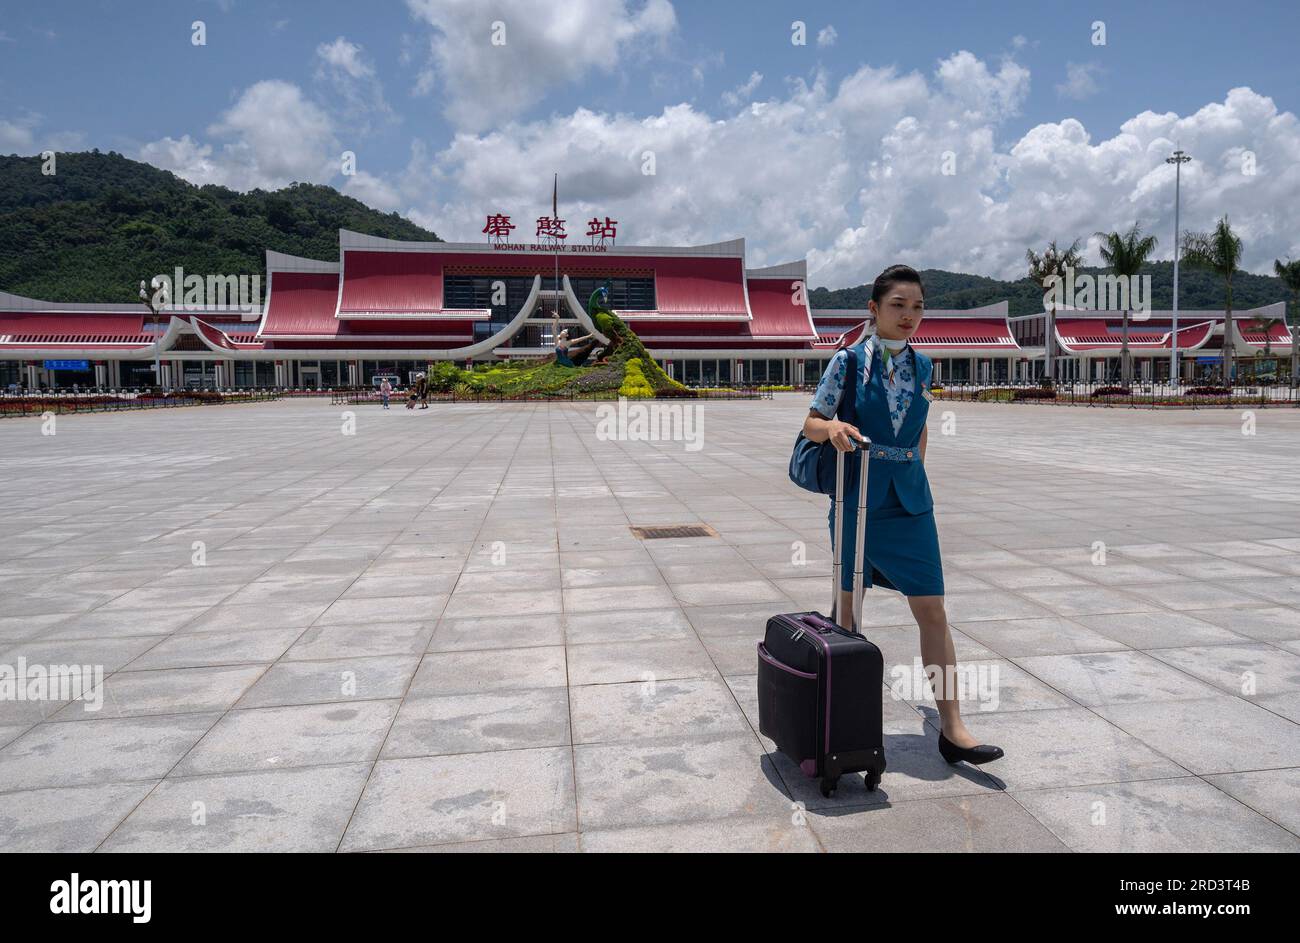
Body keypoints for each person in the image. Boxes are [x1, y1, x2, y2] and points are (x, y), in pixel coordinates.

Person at [802, 264, 1004, 768]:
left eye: (917, 307)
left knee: (932, 610)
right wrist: (833, 429)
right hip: (858, 500)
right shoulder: (847, 363)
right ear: (873, 310)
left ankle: (953, 727)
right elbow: (810, 423)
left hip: (911, 504)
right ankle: (838, 724)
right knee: (847, 613)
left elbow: (920, 429)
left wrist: (913, 472)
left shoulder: (926, 366)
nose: (909, 316)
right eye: (898, 305)